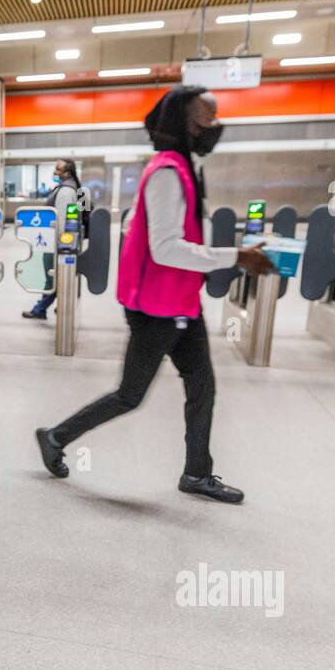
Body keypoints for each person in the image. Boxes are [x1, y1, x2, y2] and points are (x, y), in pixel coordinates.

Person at [34, 85, 272, 504]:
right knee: (131, 394)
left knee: (203, 386)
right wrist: (235, 256)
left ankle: (198, 473)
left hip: (181, 302)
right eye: (207, 119)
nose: (215, 127)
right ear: (183, 123)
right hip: (155, 307)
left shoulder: (186, 167)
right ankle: (55, 436)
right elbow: (166, 247)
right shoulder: (166, 172)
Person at [22, 158, 82, 319]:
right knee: (58, 277)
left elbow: (62, 220)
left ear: (67, 173)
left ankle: (40, 310)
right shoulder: (70, 188)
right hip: (61, 242)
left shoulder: (66, 191)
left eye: (58, 169)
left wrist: (61, 245)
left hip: (57, 244)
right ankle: (58, 305)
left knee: (52, 277)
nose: (54, 172)